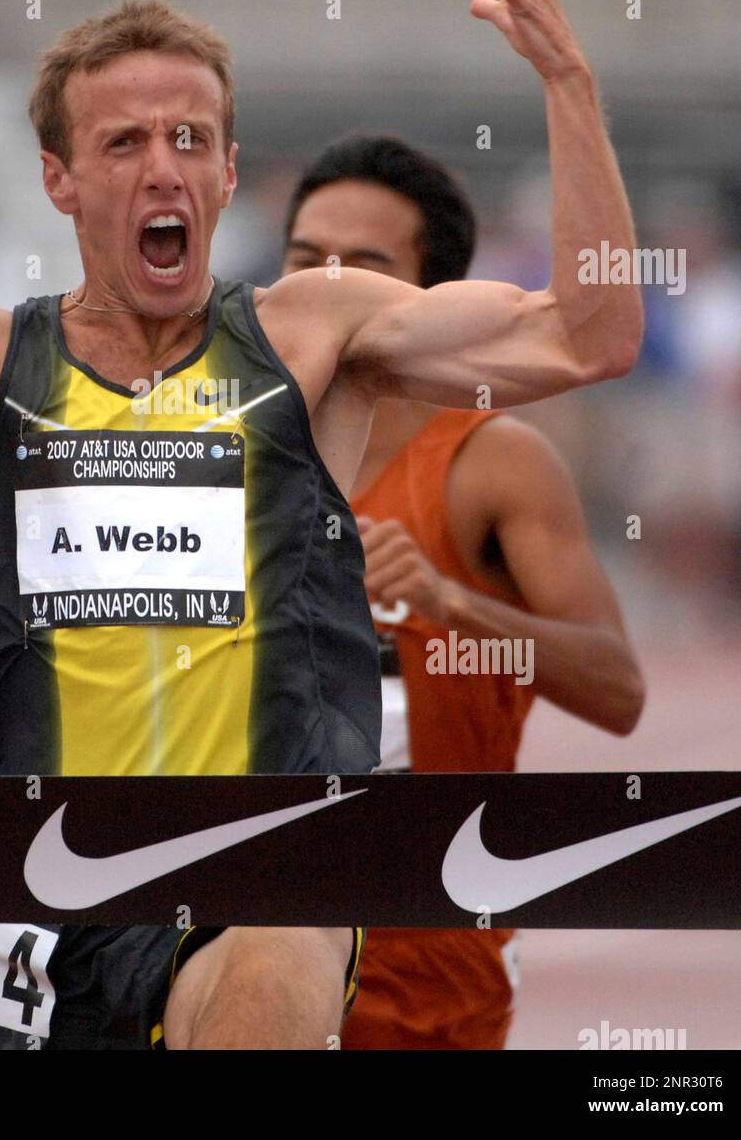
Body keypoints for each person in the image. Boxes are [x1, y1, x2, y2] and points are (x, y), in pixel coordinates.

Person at [0, 0, 642, 1050]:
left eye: (192, 140)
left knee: (272, 973)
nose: (164, 167)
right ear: (61, 180)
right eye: (124, 142)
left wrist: (572, 87)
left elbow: (591, 331)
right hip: (50, 894)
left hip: (265, 875)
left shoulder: (311, 334)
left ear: (226, 176)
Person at [280, 133, 645, 1049]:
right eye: (302, 262)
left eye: (362, 267)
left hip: (425, 965)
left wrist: (454, 604)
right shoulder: (232, 455)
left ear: (431, 298)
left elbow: (617, 691)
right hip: (245, 930)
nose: (327, 290)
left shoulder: (495, 462)